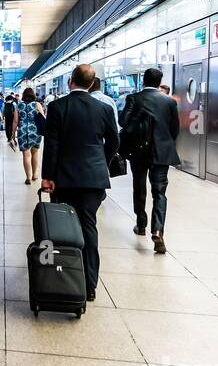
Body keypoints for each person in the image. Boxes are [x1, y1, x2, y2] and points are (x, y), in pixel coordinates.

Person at [40, 64, 120, 303]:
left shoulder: (57, 107)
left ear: (70, 81)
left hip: (64, 178)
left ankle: (64, 277)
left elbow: (52, 145)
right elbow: (114, 141)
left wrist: (47, 176)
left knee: (64, 228)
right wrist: (101, 163)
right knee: (89, 227)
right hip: (93, 180)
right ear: (92, 82)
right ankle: (90, 284)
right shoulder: (104, 108)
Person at [120, 66, 181, 254]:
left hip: (138, 152)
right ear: (158, 82)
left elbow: (123, 122)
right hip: (162, 152)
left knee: (139, 187)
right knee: (159, 192)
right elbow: (174, 130)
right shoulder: (169, 102)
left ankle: (141, 225)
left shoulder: (134, 98)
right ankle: (158, 230)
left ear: (143, 81)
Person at [14, 86, 45, 184]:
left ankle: (28, 177)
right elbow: (43, 118)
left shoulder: (18, 105)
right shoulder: (37, 104)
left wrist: (12, 133)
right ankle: (35, 175)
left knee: (26, 154)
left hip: (22, 130)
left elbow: (15, 121)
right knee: (35, 152)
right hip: (35, 130)